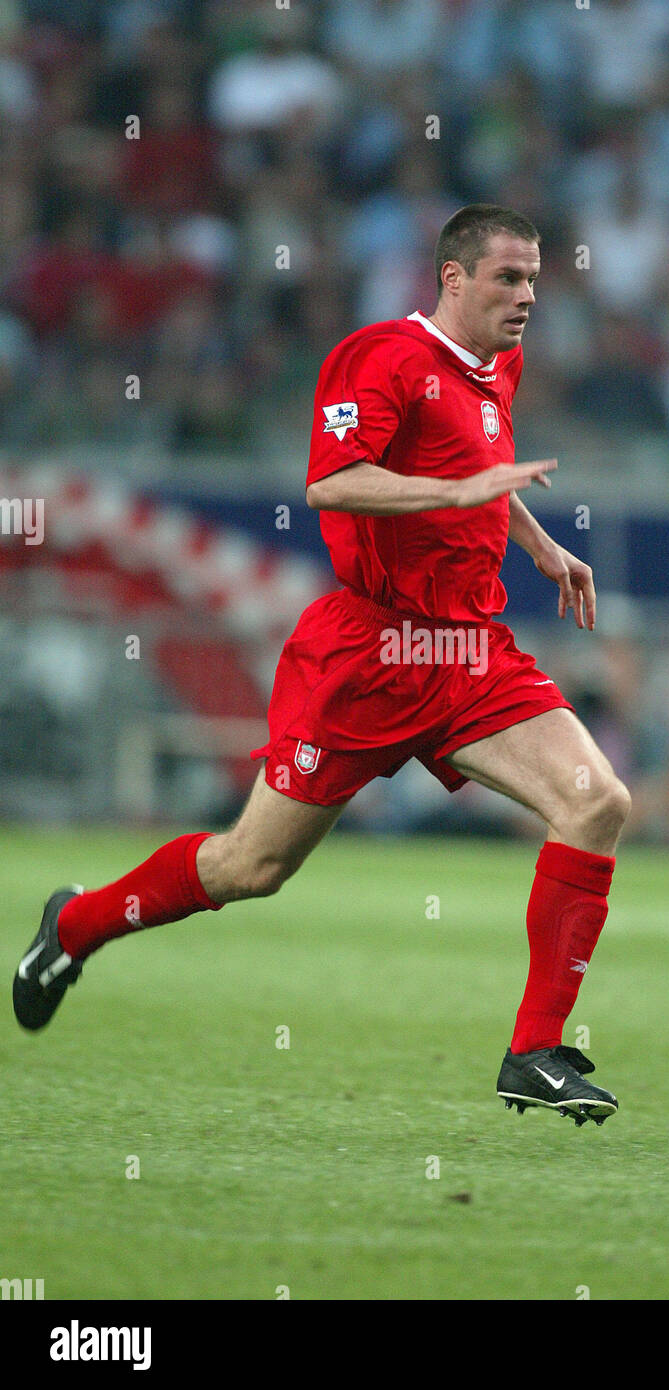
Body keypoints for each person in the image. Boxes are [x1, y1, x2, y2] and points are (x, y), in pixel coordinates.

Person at [14, 205, 631, 1127]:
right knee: (249, 867)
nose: (527, 296)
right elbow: (332, 482)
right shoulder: (377, 357)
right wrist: (453, 492)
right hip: (367, 654)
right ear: (452, 279)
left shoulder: (499, 364)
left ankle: (533, 1051)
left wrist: (534, 540)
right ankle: (77, 924)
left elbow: (479, 466)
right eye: (508, 278)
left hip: (467, 652)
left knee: (598, 801)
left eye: (535, 279)